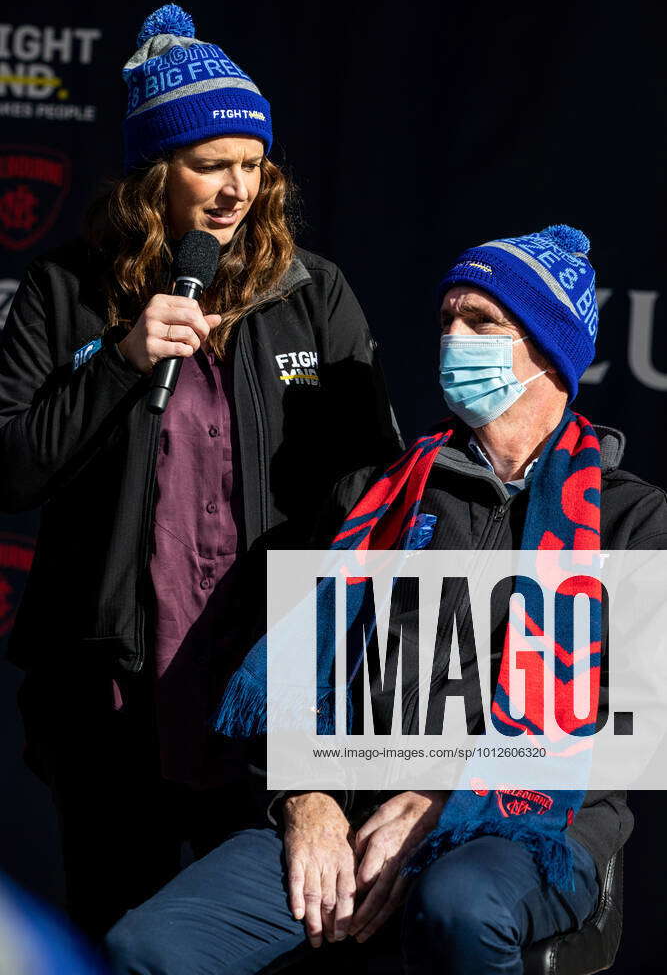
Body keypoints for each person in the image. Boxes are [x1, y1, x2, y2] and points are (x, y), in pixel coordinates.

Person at [105, 224, 667, 975]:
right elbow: (298, 672)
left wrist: (445, 797)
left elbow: (633, 725)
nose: (453, 339)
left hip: (530, 818)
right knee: (149, 946)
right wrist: (303, 800)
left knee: (458, 907)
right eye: (446, 320)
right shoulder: (376, 495)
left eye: (482, 322)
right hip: (353, 806)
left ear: (547, 350)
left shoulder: (629, 518)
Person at [0, 3, 399, 941]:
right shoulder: (69, 289)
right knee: (124, 938)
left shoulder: (313, 290)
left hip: (260, 698)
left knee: (255, 949)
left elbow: (373, 490)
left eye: (252, 167)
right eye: (208, 166)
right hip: (112, 707)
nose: (235, 191)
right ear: (153, 176)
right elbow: (12, 468)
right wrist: (118, 361)